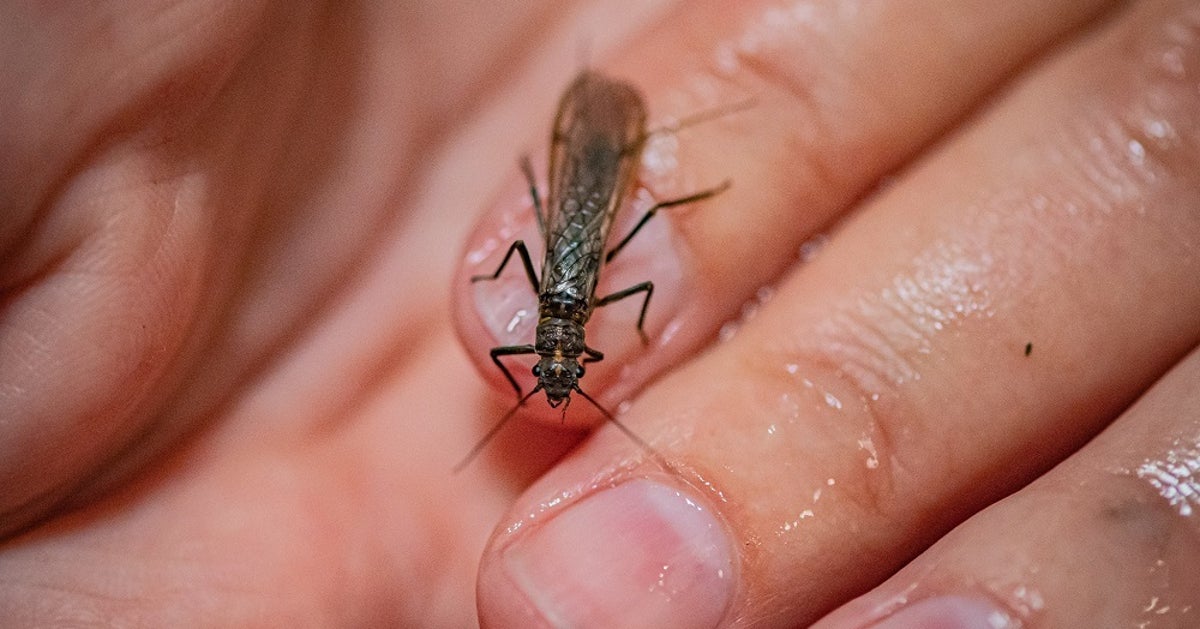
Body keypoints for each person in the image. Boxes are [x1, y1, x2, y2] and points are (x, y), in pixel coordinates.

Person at [3, 2, 1198, 627]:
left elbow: (582, 250)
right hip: (578, 181)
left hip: (588, 169)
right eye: (559, 358)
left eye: (558, 356)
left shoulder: (559, 320)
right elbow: (583, 267)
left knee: (606, 212)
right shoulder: (564, 326)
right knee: (598, 225)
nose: (554, 362)